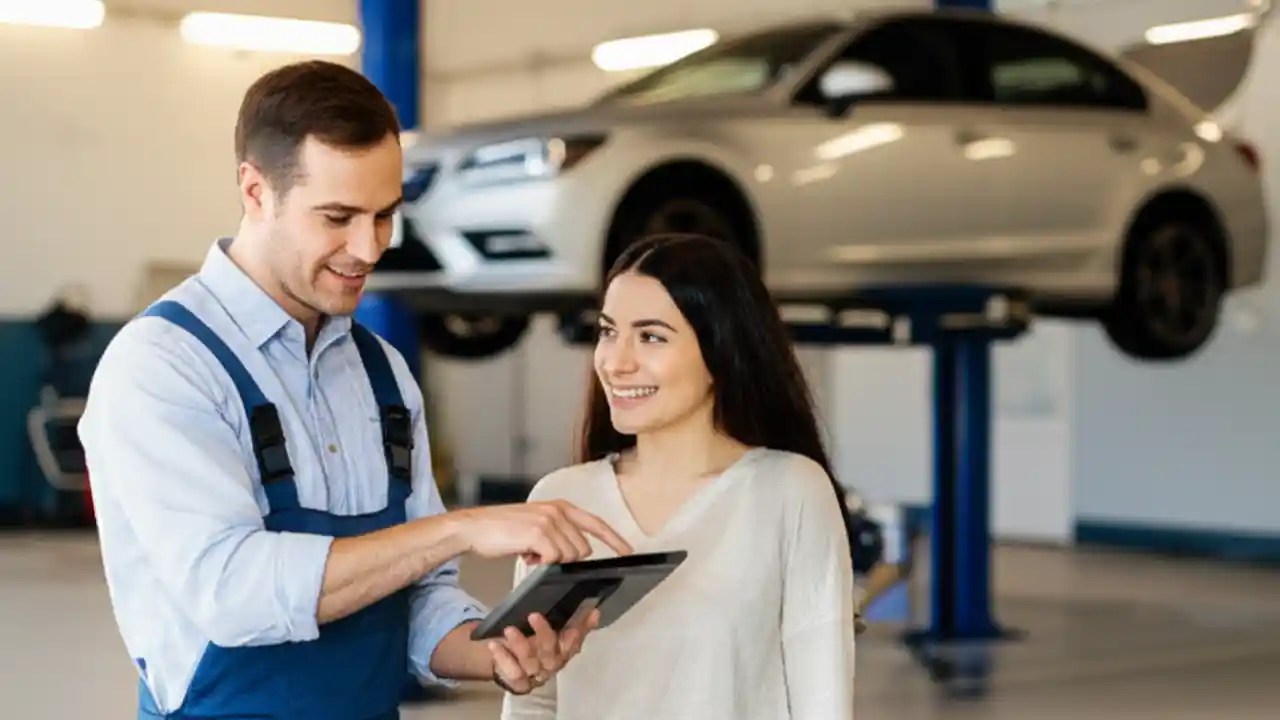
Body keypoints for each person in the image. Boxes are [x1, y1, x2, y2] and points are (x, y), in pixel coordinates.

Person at [77, 60, 632, 720]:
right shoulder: (163, 366)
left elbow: (420, 600)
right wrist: (461, 527)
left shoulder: (383, 375)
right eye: (337, 217)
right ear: (256, 191)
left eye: (385, 216)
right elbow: (233, 592)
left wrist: (495, 652)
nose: (368, 248)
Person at [501, 233, 856, 720]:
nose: (617, 362)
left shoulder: (790, 491)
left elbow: (824, 702)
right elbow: (533, 701)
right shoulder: (561, 500)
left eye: (651, 336)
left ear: (719, 351)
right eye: (608, 331)